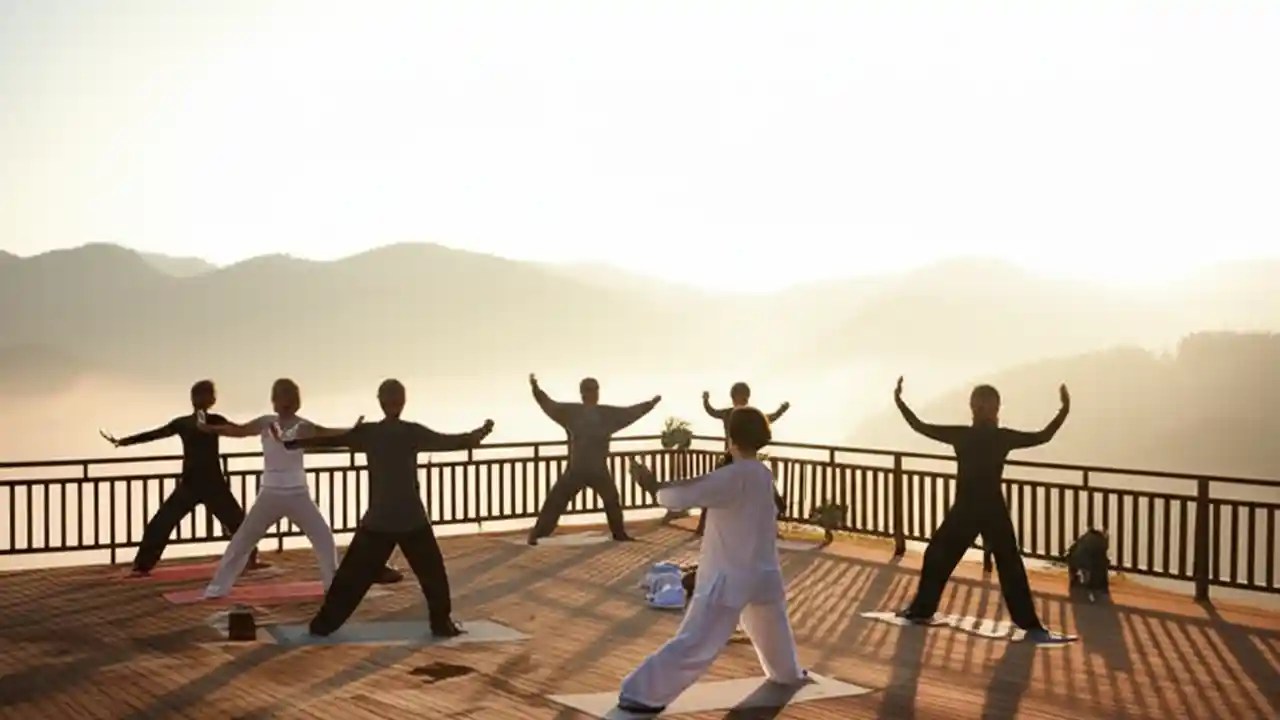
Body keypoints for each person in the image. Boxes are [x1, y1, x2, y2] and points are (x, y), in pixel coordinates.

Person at [618, 407, 807, 714]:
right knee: (773, 631)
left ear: (731, 438)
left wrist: (653, 487)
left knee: (696, 642)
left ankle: (641, 693)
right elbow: (706, 484)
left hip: (729, 576)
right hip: (763, 572)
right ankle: (787, 674)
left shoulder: (732, 476)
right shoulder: (762, 474)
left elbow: (682, 497)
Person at [284, 379, 492, 637]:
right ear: (401, 402)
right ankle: (441, 624)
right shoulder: (411, 432)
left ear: (380, 402)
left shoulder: (369, 433)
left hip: (379, 521)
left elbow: (332, 440)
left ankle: (322, 626)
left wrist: (295, 443)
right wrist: (477, 435)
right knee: (433, 577)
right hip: (410, 519)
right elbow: (449, 442)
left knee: (350, 581)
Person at [893, 376, 1073, 643]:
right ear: (980, 408)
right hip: (982, 508)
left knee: (1002, 564)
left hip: (974, 508)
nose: (982, 410)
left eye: (984, 405)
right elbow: (920, 426)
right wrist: (1064, 409)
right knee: (957, 558)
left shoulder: (973, 436)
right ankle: (923, 610)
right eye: (980, 405)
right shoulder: (994, 437)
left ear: (991, 408)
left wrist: (1064, 410)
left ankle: (924, 610)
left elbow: (920, 426)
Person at [196, 378, 398, 599]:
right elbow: (238, 430)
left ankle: (332, 586)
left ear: (296, 402)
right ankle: (217, 588)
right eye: (282, 397)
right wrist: (210, 429)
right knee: (242, 541)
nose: (286, 403)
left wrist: (352, 429)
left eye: (291, 398)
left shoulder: (302, 426)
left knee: (323, 538)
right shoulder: (266, 423)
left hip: (298, 495)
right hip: (270, 495)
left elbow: (327, 432)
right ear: (274, 401)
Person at [100, 380, 268, 576]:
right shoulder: (192, 422)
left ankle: (142, 566)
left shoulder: (200, 422)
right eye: (207, 394)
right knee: (164, 522)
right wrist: (124, 441)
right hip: (200, 483)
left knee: (234, 521)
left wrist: (124, 442)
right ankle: (142, 565)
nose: (209, 398)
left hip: (203, 483)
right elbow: (156, 434)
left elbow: (239, 430)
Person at [526, 374, 660, 545]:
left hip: (596, 469)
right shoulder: (572, 413)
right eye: (589, 390)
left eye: (594, 390)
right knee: (555, 500)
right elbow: (548, 404)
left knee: (611, 499)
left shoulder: (605, 414)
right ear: (582, 393)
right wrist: (536, 389)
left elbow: (629, 413)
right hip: (577, 469)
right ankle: (537, 534)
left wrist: (650, 404)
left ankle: (619, 534)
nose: (592, 394)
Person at [677, 383, 789, 535]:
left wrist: (781, 410)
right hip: (732, 457)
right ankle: (702, 525)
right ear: (735, 397)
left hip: (741, 458)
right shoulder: (738, 414)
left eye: (744, 397)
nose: (742, 400)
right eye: (740, 397)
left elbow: (769, 418)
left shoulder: (746, 415)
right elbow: (712, 411)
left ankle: (774, 518)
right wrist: (705, 400)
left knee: (763, 488)